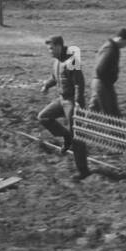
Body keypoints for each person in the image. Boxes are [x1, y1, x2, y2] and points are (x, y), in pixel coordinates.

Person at [39, 36, 90, 179]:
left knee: (78, 136)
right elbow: (55, 78)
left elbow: (79, 82)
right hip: (61, 100)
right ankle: (65, 135)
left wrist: (79, 101)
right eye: (48, 49)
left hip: (72, 102)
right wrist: (46, 85)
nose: (49, 51)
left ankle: (83, 171)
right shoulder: (56, 61)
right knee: (43, 117)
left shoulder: (72, 61)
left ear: (59, 46)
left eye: (51, 48)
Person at [90, 27, 126, 117]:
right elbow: (100, 69)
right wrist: (109, 81)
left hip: (98, 82)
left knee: (94, 110)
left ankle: (83, 128)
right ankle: (116, 131)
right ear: (120, 39)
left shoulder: (108, 46)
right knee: (111, 113)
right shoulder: (111, 49)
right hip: (103, 84)